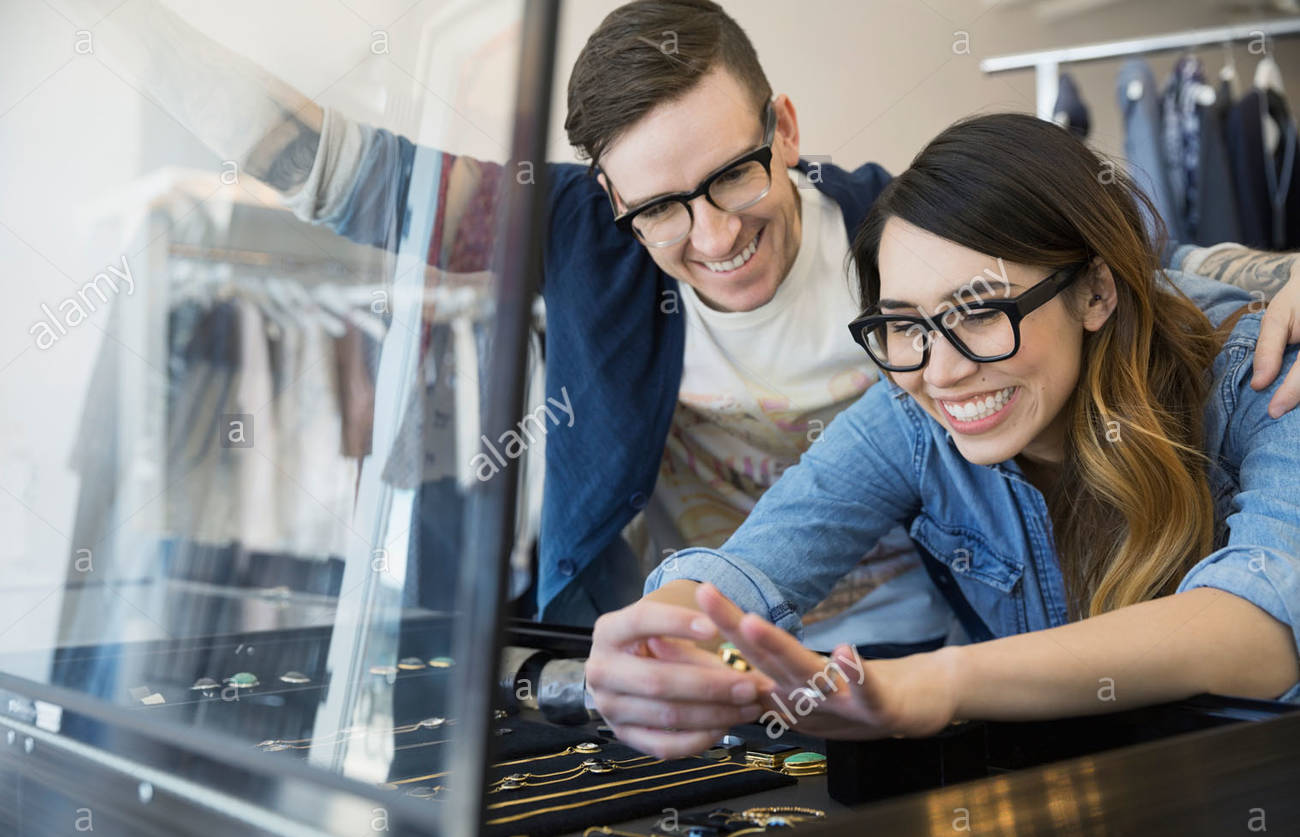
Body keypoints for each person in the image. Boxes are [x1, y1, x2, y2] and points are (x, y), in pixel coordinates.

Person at [101, 0, 1300, 648]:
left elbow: (1149, 269)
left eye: (732, 176)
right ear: (610, 199)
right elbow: (345, 176)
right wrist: (116, 24)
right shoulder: (573, 234)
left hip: (957, 645)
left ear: (782, 127)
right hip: (721, 644)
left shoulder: (910, 235)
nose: (714, 234)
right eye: (660, 210)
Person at [585, 113, 1300, 759]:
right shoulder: (910, 406)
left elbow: (1260, 629)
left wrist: (936, 683)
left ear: (1095, 291)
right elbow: (757, 562)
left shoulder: (1262, 373)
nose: (943, 371)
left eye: (982, 312)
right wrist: (657, 632)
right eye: (905, 324)